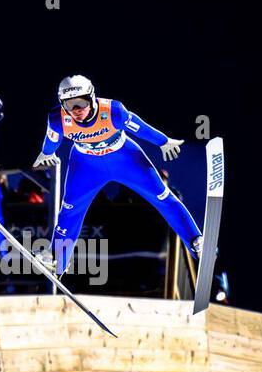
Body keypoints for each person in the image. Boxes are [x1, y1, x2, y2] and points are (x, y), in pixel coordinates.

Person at [33, 75, 201, 274]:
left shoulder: (113, 111)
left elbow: (140, 127)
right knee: (70, 208)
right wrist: (47, 152)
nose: (77, 110)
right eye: (70, 105)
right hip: (86, 165)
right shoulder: (57, 118)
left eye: (82, 102)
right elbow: (51, 139)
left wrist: (163, 141)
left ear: (92, 97)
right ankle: (57, 259)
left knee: (162, 196)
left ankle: (196, 241)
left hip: (124, 158)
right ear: (62, 104)